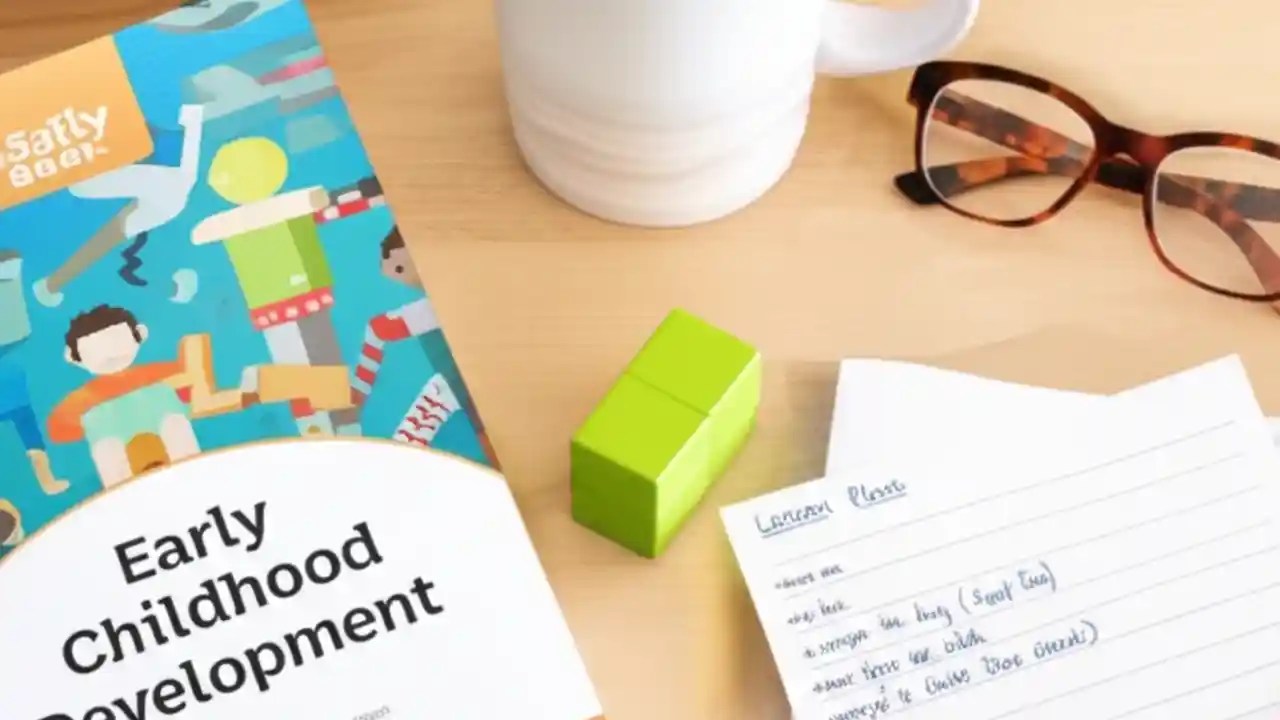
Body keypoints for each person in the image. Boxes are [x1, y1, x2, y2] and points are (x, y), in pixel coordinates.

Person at [48, 305, 198, 487]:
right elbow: (59, 427)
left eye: (116, 341)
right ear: (74, 357)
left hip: (164, 422)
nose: (110, 352)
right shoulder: (85, 399)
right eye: (96, 348)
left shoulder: (155, 376)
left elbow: (189, 381)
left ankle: (192, 471)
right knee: (108, 450)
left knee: (174, 426)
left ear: (139, 335)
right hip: (109, 436)